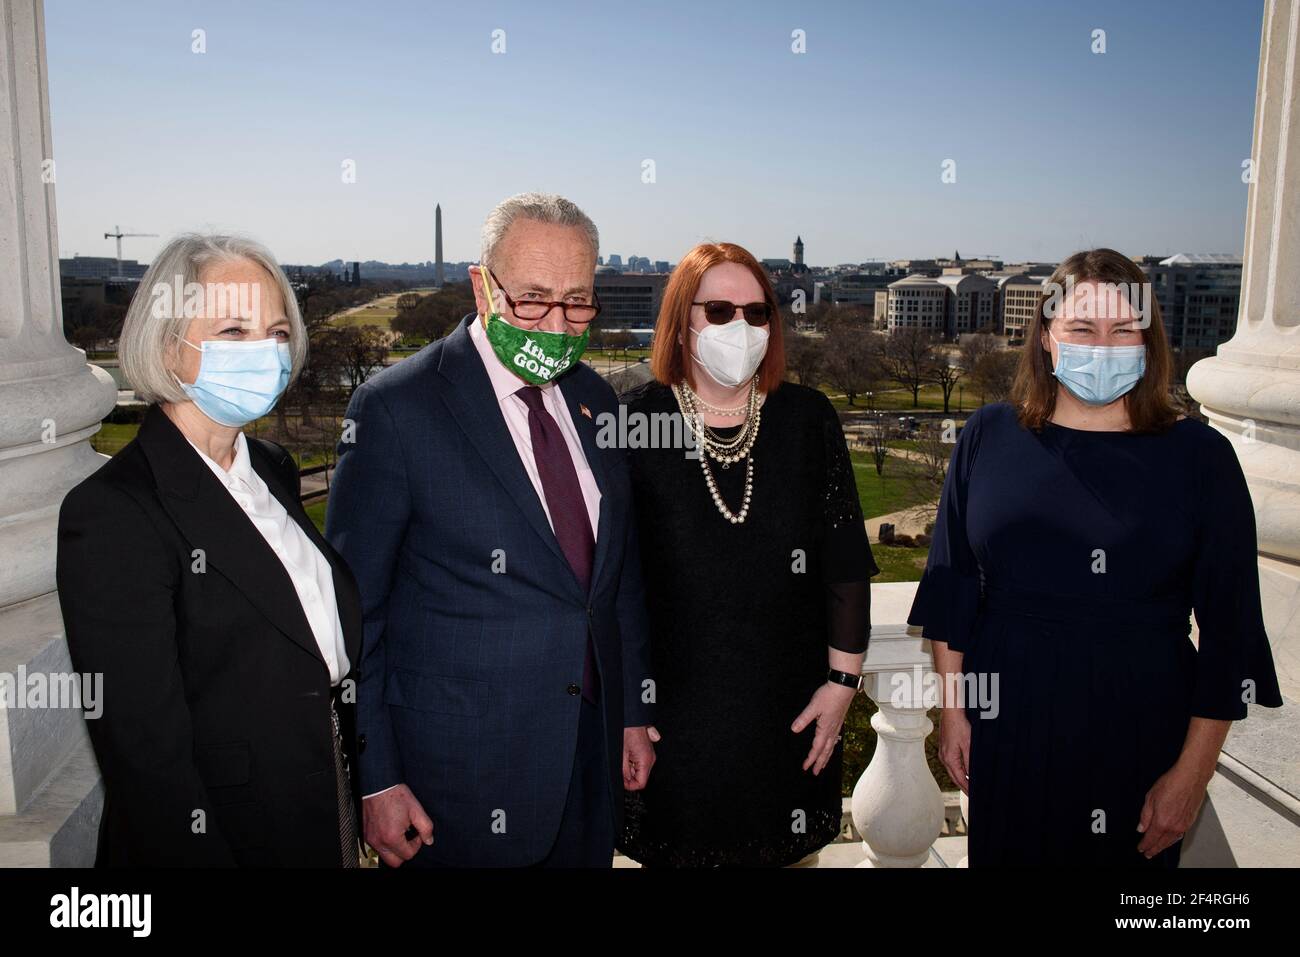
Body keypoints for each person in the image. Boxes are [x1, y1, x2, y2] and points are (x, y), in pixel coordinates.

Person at [909, 247, 1284, 867]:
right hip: (1009, 722)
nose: (1101, 344)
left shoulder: (1200, 457)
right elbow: (954, 586)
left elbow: (1230, 633)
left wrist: (1191, 776)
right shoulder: (988, 435)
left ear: (1148, 339)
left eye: (1122, 329)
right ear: (1048, 337)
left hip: (1139, 727)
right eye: (1082, 328)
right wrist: (955, 715)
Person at [328, 192, 656, 868]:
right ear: (482, 286)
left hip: (587, 763)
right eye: (533, 298)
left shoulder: (595, 397)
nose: (557, 324)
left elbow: (615, 577)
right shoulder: (394, 409)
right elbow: (358, 613)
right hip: (455, 784)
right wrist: (377, 774)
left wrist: (630, 712)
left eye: (578, 301)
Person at [57, 234, 363, 866]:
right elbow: (147, 763)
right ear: (170, 346)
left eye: (277, 331)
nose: (266, 351)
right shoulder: (113, 514)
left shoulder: (271, 467)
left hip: (319, 803)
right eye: (233, 330)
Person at [616, 242, 878, 867]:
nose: (742, 327)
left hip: (788, 719)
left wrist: (843, 684)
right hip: (673, 725)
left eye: (758, 313)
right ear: (682, 322)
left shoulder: (808, 419)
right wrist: (630, 710)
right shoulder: (632, 423)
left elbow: (844, 565)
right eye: (720, 310)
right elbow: (617, 586)